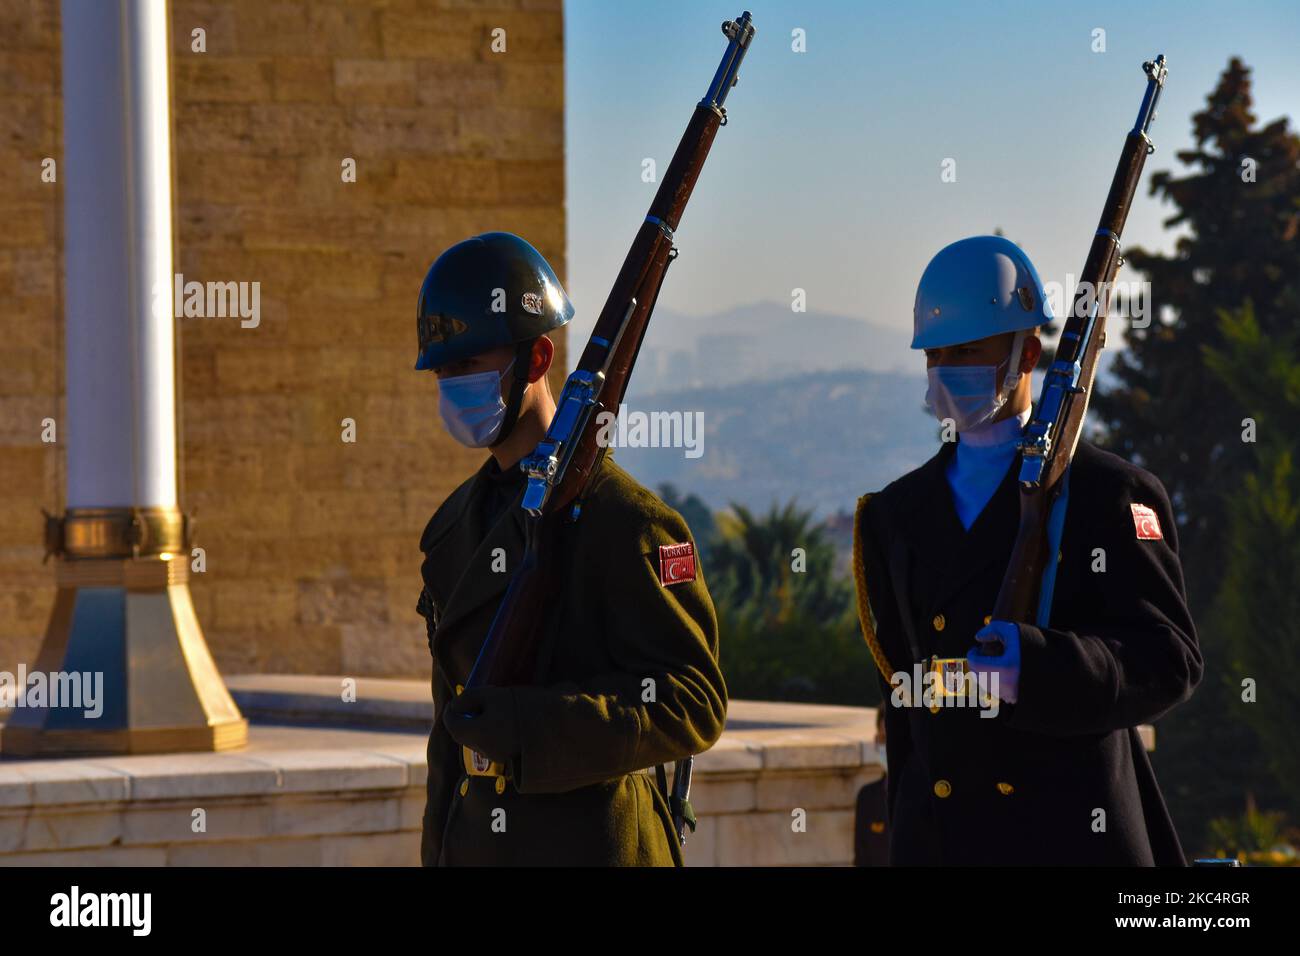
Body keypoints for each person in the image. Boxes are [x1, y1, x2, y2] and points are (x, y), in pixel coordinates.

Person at [852, 235, 1202, 865]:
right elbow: (905, 716)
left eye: (967, 350)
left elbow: (1168, 658)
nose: (946, 369)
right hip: (942, 840)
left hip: (1068, 834)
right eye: (934, 354)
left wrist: (1043, 667)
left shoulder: (1109, 494)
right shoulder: (894, 515)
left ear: (1029, 353)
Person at [413, 232, 727, 866]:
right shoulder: (451, 528)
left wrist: (532, 727)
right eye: (444, 370)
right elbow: (450, 735)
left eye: (471, 363)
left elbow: (692, 699)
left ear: (537, 359)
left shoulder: (628, 523)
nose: (455, 384)